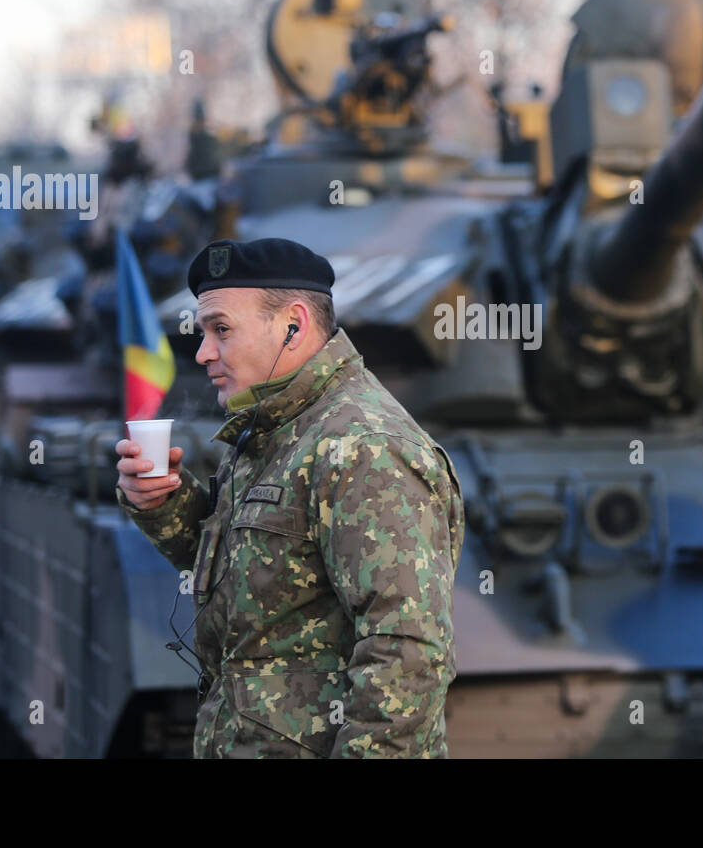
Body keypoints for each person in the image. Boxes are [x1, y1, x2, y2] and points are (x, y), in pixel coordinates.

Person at [115, 237, 464, 758]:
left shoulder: (362, 447)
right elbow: (261, 579)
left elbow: (407, 652)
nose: (203, 352)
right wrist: (163, 501)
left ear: (293, 325)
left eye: (221, 330)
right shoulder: (279, 428)